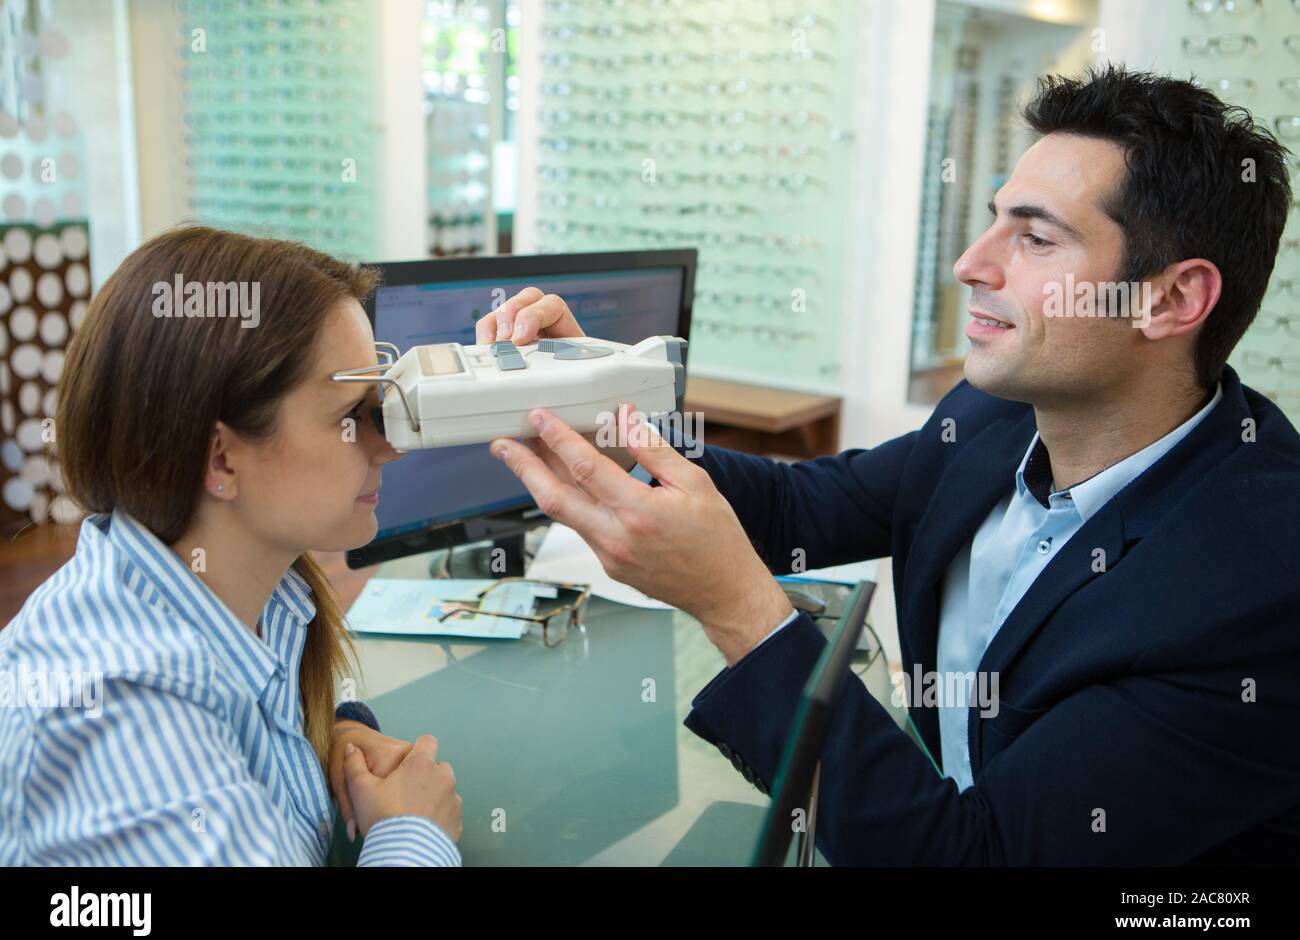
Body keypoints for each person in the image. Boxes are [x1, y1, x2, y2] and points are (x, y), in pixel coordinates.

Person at [480, 66, 1300, 864]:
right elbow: (802, 510)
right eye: (992, 222)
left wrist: (740, 609)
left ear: (1172, 300)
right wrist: (605, 405)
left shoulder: (1259, 585)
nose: (971, 264)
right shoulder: (993, 417)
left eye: (1036, 239)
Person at [0, 226, 462, 866]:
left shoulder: (246, 589)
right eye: (350, 418)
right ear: (221, 458)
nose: (389, 445)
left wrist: (329, 735)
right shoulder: (125, 724)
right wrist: (413, 835)